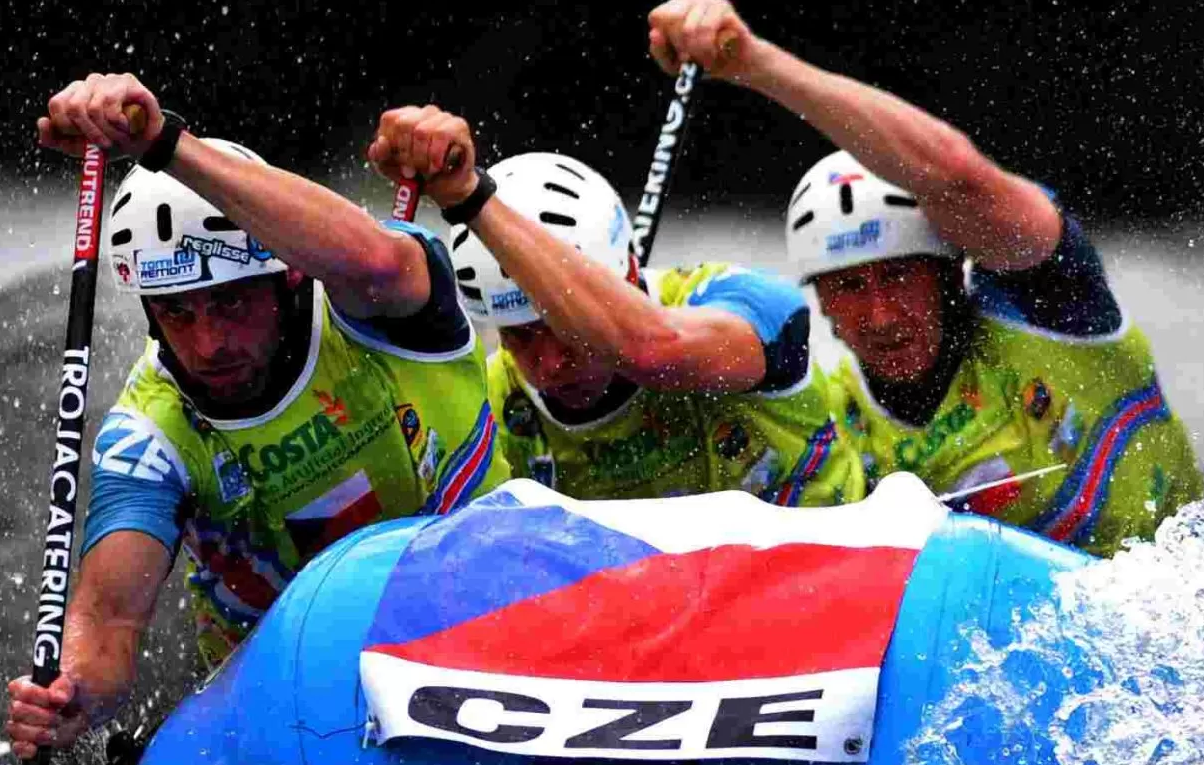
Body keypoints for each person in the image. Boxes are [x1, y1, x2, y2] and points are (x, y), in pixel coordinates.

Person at [5, 75, 506, 762]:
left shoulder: (374, 303)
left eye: (232, 303)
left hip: (497, 620)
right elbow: (108, 622)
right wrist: (71, 696)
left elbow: (372, 257)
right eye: (179, 312)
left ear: (291, 274)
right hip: (302, 714)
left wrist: (162, 142)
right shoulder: (148, 436)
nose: (208, 343)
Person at [640, 0, 1203, 557]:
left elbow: (959, 178)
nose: (881, 315)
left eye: (899, 277)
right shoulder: (823, 417)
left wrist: (752, 64)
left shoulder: (1050, 305)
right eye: (852, 287)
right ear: (823, 302)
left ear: (948, 271)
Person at [364, 108, 863, 506]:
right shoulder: (493, 403)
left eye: (559, 326)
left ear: (625, 275)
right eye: (518, 337)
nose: (550, 365)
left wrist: (469, 197)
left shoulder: (737, 302)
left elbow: (652, 352)